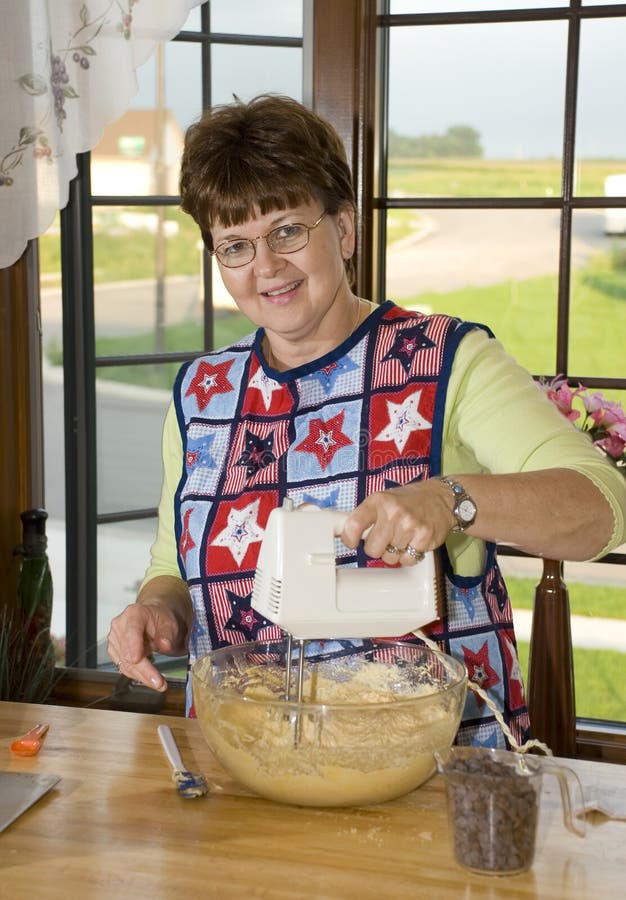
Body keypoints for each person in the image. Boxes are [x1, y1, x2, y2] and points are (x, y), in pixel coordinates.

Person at [107, 94, 626, 749]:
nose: (265, 266)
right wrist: (158, 612)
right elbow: (174, 569)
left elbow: (603, 505)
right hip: (242, 775)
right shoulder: (201, 394)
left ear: (343, 230)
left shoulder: (447, 359)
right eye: (235, 245)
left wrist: (451, 499)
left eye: (287, 231)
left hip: (430, 781)